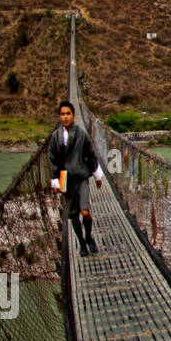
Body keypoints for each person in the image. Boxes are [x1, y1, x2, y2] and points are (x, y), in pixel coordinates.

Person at [48, 100, 104, 257]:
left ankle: (89, 237)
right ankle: (82, 244)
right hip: (66, 180)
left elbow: (91, 155)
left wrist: (97, 176)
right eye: (62, 114)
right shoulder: (55, 137)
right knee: (73, 216)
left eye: (68, 114)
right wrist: (55, 181)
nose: (65, 117)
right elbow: (52, 160)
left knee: (84, 211)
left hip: (81, 178)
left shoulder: (81, 134)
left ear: (73, 115)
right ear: (59, 116)